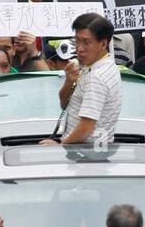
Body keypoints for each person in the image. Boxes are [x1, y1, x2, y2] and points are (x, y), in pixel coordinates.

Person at [51, 13, 122, 146]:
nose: (79, 48)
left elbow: (86, 129)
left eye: (86, 42)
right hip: (88, 150)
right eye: (77, 41)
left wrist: (58, 148)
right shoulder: (97, 66)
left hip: (85, 155)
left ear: (103, 43)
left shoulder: (97, 77)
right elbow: (64, 105)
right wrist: (69, 81)